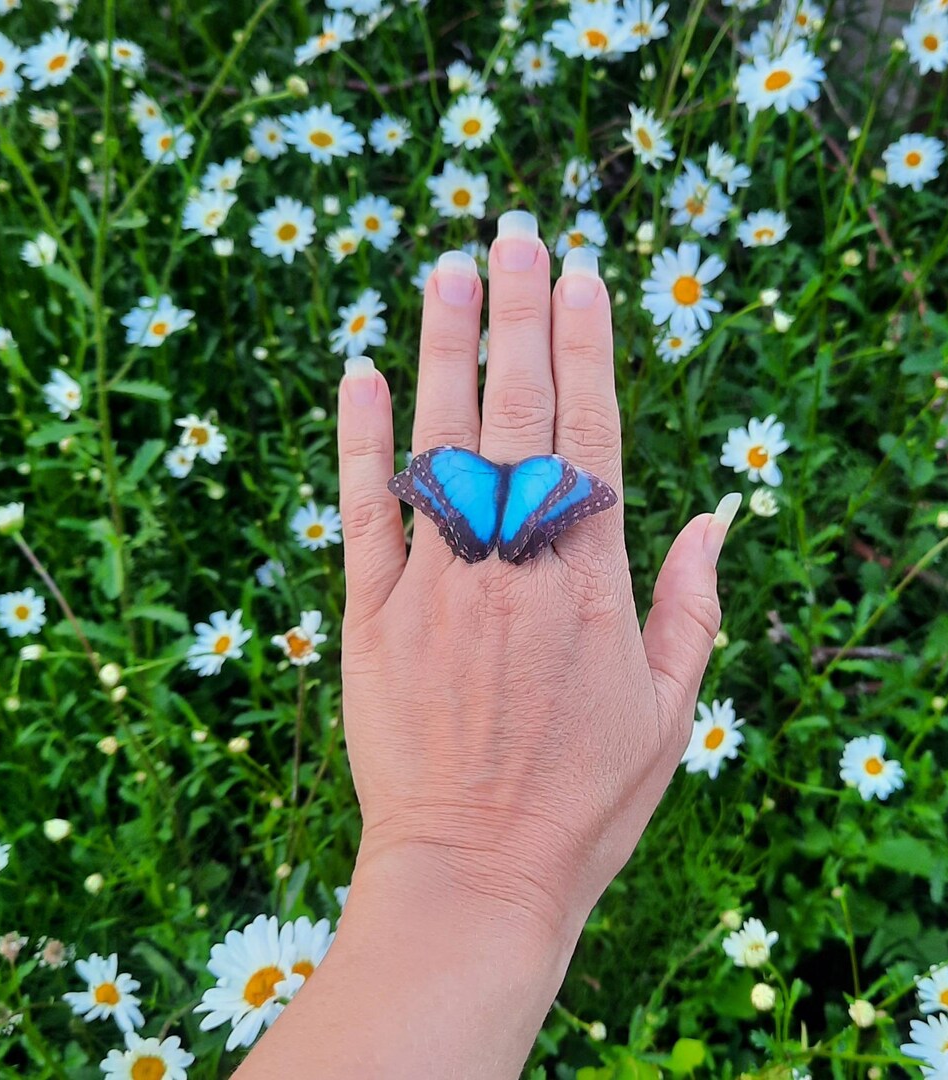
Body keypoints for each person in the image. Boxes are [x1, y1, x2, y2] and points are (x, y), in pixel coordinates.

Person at [235, 209, 741, 1079]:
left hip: (476, 508)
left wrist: (453, 855)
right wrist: (499, 866)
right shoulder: (555, 486)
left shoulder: (451, 482)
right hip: (523, 503)